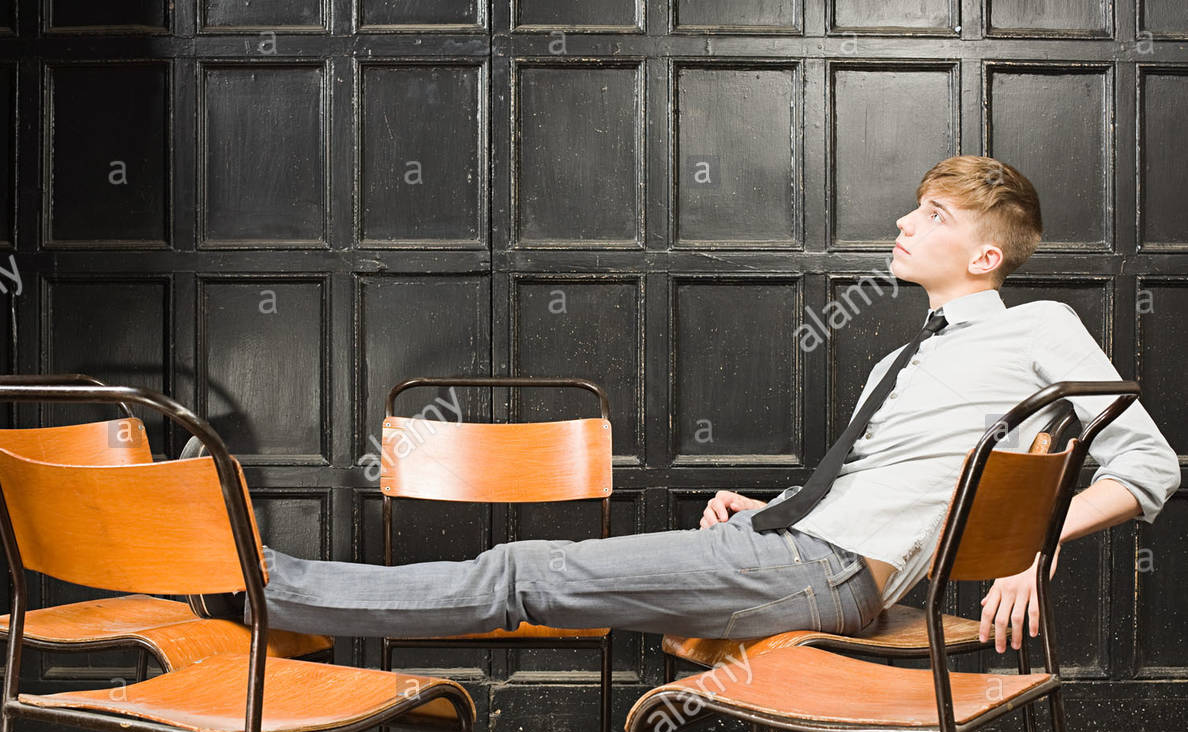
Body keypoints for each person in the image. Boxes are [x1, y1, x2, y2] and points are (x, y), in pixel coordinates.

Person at [199, 156, 1180, 653]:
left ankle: (262, 582)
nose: (902, 219)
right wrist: (773, 509)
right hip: (796, 545)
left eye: (932, 213)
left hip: (832, 576)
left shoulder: (1040, 326)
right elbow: (883, 485)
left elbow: (1151, 464)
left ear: (984, 255)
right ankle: (266, 584)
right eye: (911, 203)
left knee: (520, 570)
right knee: (528, 570)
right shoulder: (903, 362)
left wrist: (1034, 546)